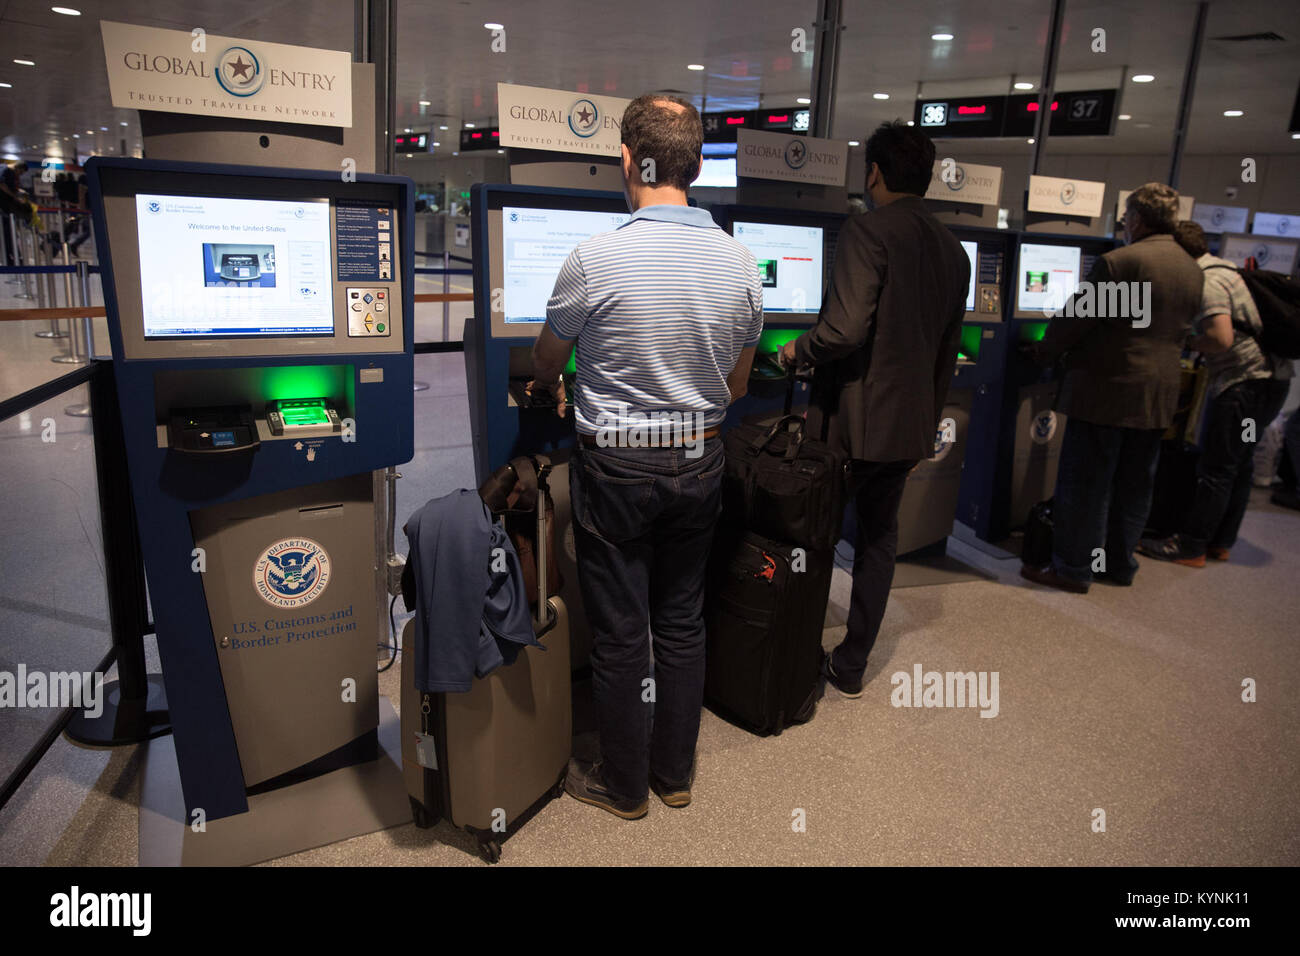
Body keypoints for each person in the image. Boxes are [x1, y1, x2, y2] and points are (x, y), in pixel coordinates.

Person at [529, 94, 762, 819]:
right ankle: (673, 774)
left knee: (623, 630)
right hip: (699, 462)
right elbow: (739, 383)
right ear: (692, 164)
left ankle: (623, 786)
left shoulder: (594, 258)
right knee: (683, 620)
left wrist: (562, 383)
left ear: (629, 161)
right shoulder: (742, 264)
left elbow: (546, 362)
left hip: (618, 468)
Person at [777, 120, 969, 697]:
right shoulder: (953, 249)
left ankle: (794, 659)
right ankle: (853, 662)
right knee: (880, 539)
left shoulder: (868, 232)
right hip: (909, 427)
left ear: (876, 172)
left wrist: (794, 350)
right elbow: (945, 353)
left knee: (813, 537)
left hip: (853, 424)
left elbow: (843, 330)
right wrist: (925, 427)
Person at [1020, 184, 1204, 593]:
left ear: (1136, 219)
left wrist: (1043, 351)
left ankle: (1071, 569)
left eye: (1125, 219)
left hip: (1108, 391)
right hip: (1159, 393)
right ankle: (1119, 565)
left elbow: (1075, 322)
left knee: (1086, 483)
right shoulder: (1191, 267)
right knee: (1134, 485)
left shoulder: (1122, 263)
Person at [1137, 221, 1293, 564]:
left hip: (1244, 387)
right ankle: (1219, 542)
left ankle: (1191, 547)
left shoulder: (1207, 280)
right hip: (1272, 383)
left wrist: (1185, 342)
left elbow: (1220, 338)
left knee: (1217, 468)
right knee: (1239, 463)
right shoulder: (1230, 271)